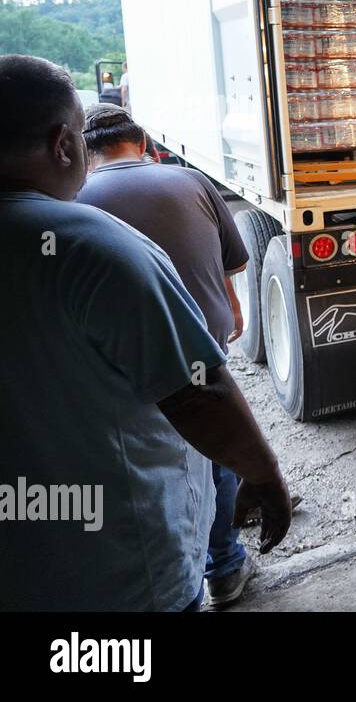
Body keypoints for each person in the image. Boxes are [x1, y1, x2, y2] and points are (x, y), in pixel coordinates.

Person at [0, 54, 292, 611]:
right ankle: (225, 565)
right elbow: (198, 393)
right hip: (122, 575)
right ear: (64, 143)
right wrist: (263, 474)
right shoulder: (91, 246)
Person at [76, 102, 258, 608]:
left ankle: (180, 565)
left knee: (150, 453)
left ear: (87, 154)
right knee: (214, 440)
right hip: (203, 333)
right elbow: (229, 261)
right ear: (142, 145)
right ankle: (223, 565)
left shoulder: (77, 198)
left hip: (127, 350)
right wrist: (231, 307)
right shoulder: (189, 181)